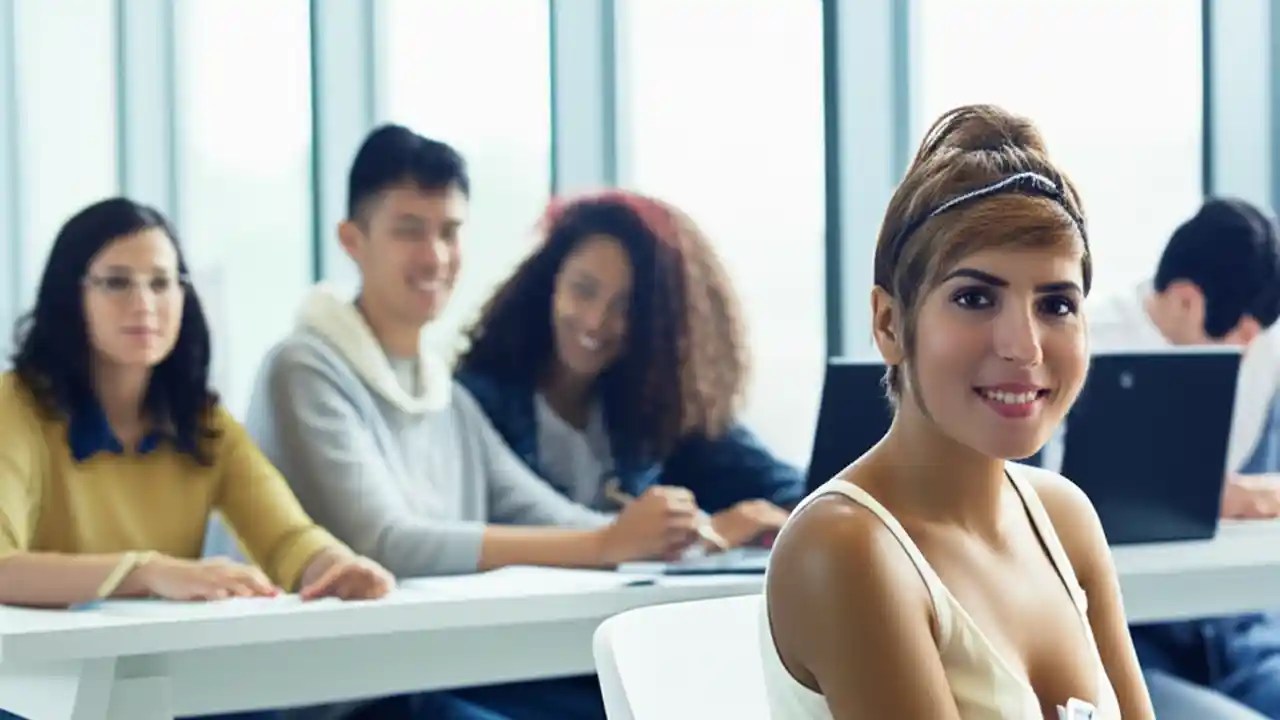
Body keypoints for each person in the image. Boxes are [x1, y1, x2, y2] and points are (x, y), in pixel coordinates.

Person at [244, 125, 698, 720]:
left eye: (450, 231)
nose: (434, 255)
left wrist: (677, 535)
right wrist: (606, 543)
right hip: (318, 699)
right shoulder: (302, 369)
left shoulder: (444, 396)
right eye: (409, 230)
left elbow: (545, 513)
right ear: (352, 241)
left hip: (417, 676)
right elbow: (386, 543)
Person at [760, 104, 1155, 719]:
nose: (1023, 347)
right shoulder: (846, 548)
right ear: (890, 324)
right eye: (974, 298)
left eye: (1056, 305)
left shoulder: (1063, 519)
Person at [0, 198, 393, 720]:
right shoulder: (16, 408)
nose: (144, 303)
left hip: (156, 683)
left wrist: (339, 565)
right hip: (35, 691)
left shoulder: (200, 420)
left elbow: (285, 537)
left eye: (162, 283)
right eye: (117, 282)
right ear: (70, 297)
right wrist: (148, 571)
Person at [455, 190, 802, 550]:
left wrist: (757, 519)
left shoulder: (656, 409)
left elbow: (798, 491)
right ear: (549, 284)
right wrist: (704, 534)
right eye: (583, 290)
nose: (596, 320)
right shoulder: (476, 404)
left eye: (626, 307)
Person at [1088, 197, 1280, 719]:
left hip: (1242, 625)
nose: (1250, 343)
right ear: (1186, 300)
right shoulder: (1087, 347)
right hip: (1134, 627)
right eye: (1240, 330)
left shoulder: (1262, 345)